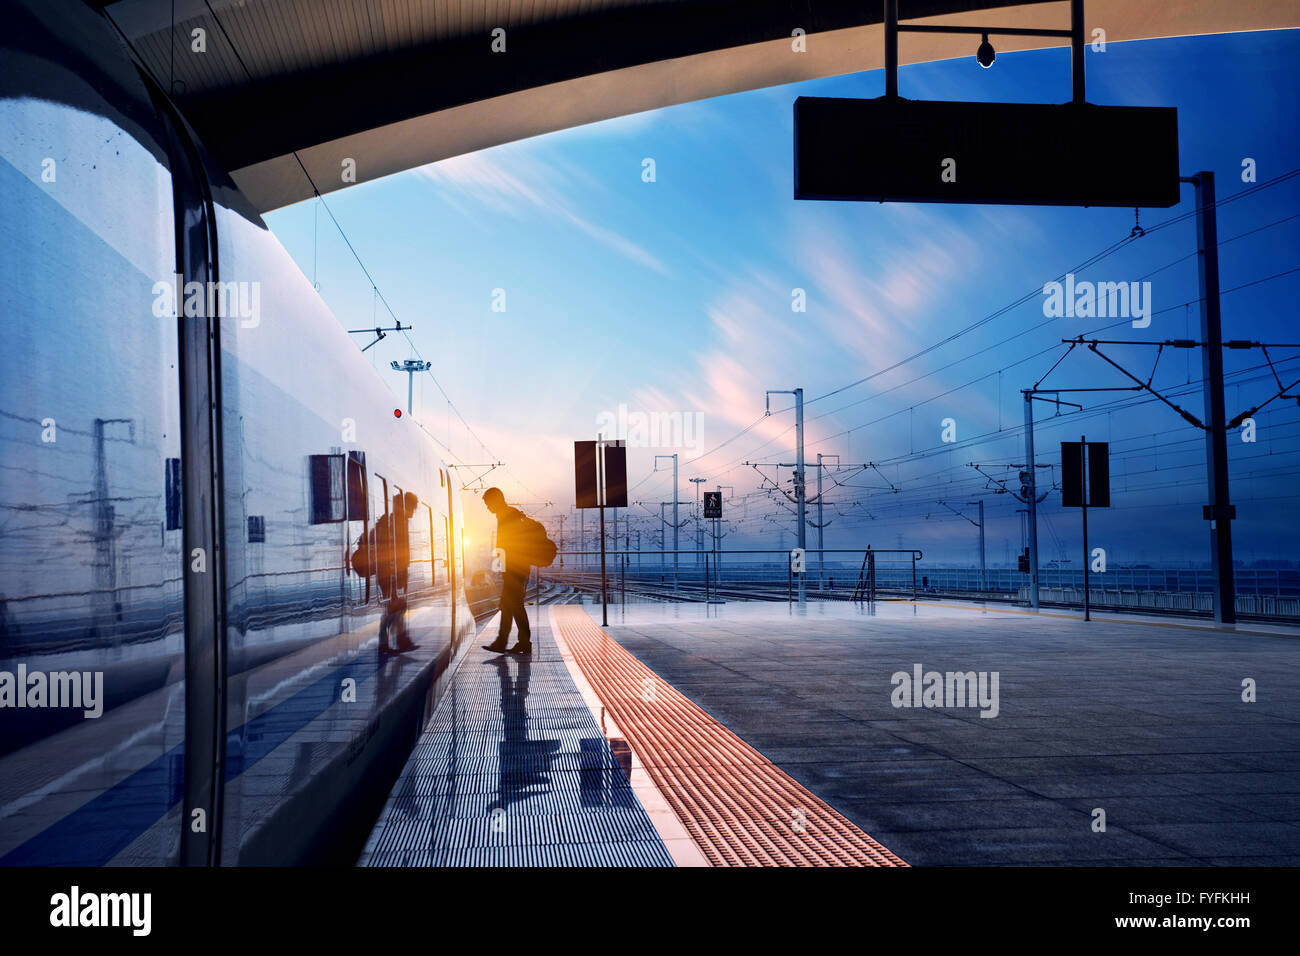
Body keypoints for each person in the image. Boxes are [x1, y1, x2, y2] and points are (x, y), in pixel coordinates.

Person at [482, 487, 534, 655]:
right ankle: (519, 642)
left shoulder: (507, 516)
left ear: (496, 500)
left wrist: (503, 567)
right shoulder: (509, 514)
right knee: (512, 605)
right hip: (516, 568)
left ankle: (505, 642)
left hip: (515, 568)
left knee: (511, 605)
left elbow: (508, 545)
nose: (487, 508)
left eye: (488, 503)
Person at [376, 491, 420, 655]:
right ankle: (392, 642)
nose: (413, 512)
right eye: (412, 507)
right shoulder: (393, 522)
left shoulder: (395, 521)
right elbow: (393, 550)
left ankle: (393, 642)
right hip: (389, 572)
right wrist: (398, 573)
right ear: (404, 506)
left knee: (394, 608)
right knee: (396, 608)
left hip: (392, 571)